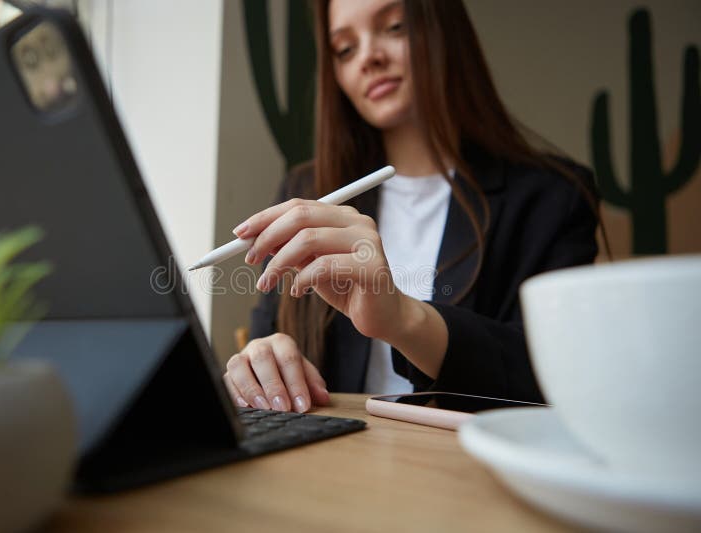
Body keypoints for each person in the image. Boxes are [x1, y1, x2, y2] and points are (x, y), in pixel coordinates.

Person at [223, 0, 603, 414]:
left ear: (443, 29)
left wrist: (403, 319)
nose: (369, 57)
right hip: (336, 450)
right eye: (345, 49)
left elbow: (554, 377)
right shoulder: (306, 193)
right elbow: (271, 334)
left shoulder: (552, 197)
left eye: (394, 27)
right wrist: (265, 359)